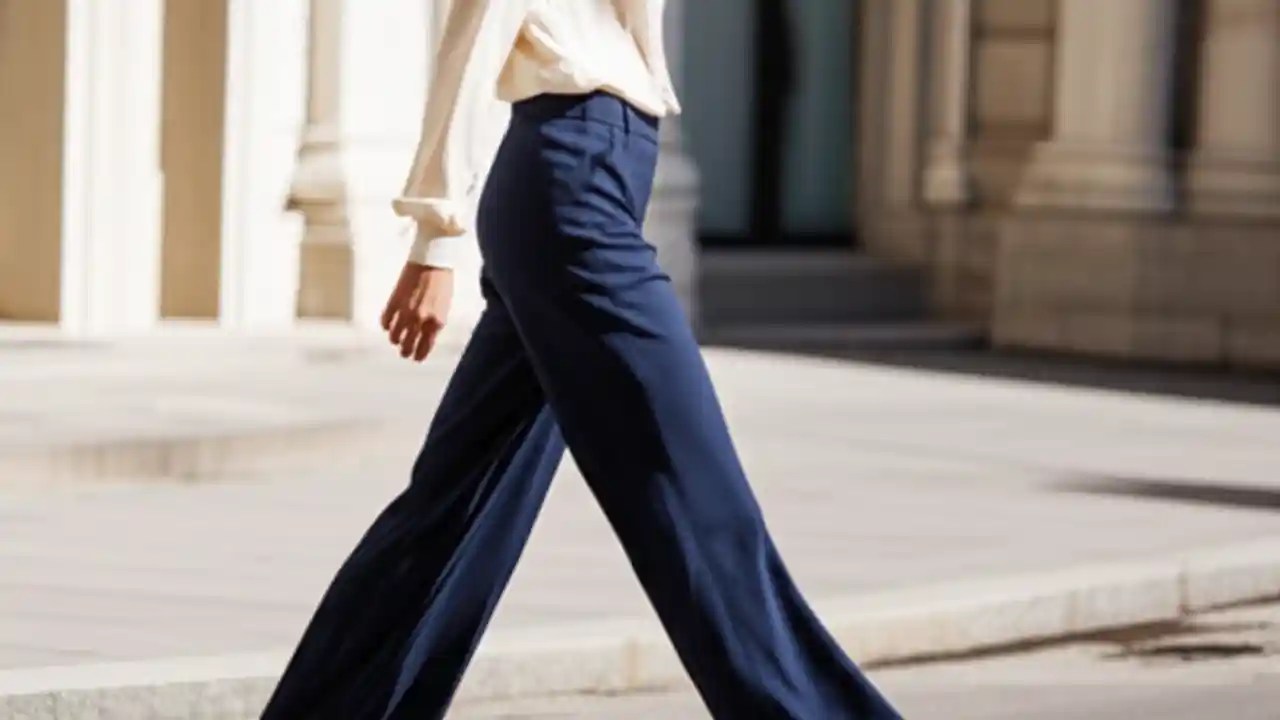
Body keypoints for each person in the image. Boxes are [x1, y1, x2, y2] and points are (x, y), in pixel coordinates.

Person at [260, 2, 901, 718]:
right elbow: (474, 41)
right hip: (572, 185)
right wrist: (435, 239)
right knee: (691, 482)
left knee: (459, 501)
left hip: (595, 178)